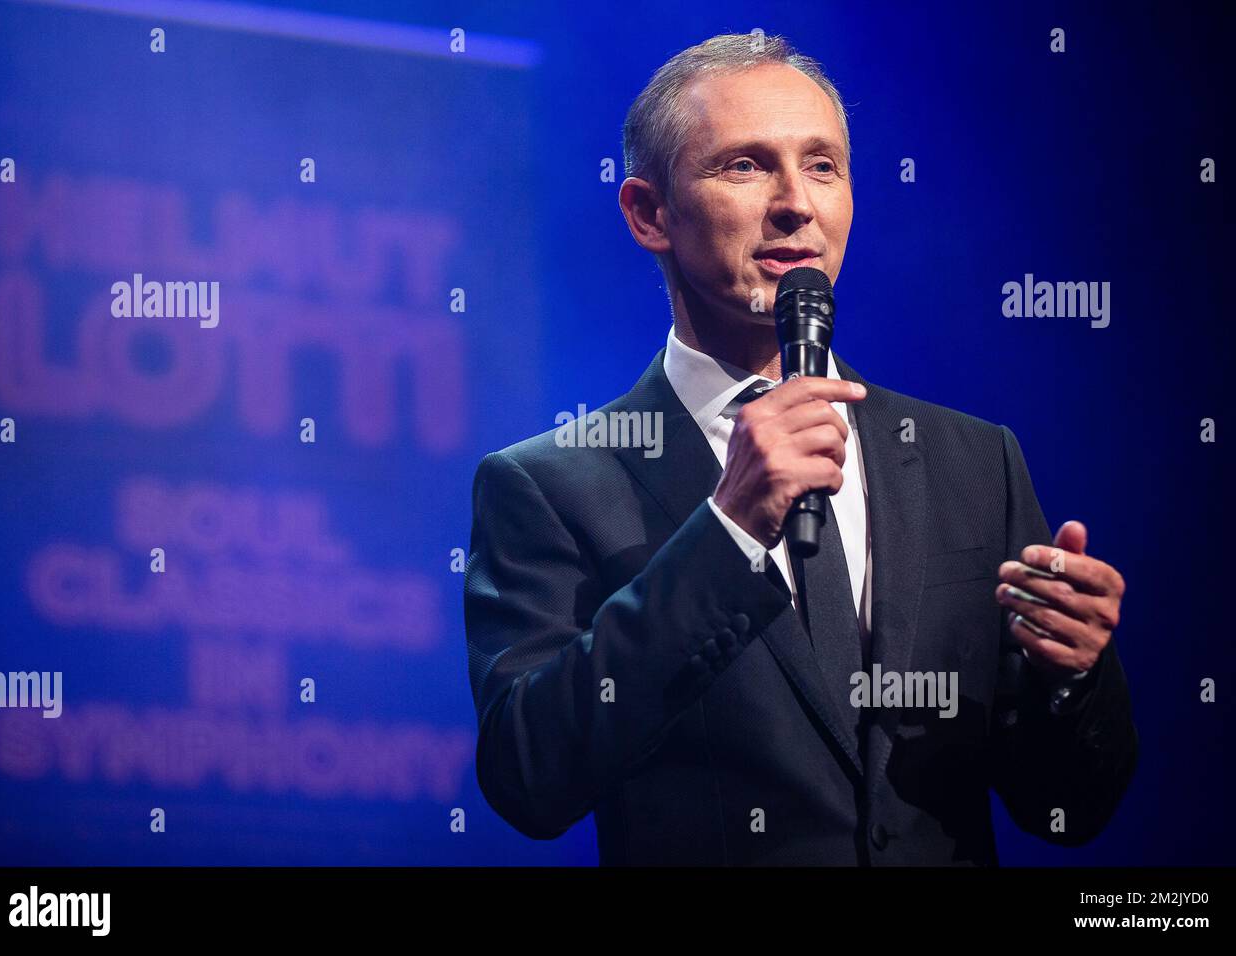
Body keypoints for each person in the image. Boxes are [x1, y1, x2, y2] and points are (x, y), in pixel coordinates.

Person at [463, 33, 1136, 865]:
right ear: (648, 213)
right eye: (745, 166)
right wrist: (730, 529)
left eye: (822, 166)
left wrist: (1072, 676)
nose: (796, 204)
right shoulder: (548, 486)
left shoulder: (976, 461)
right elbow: (529, 777)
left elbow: (1067, 807)